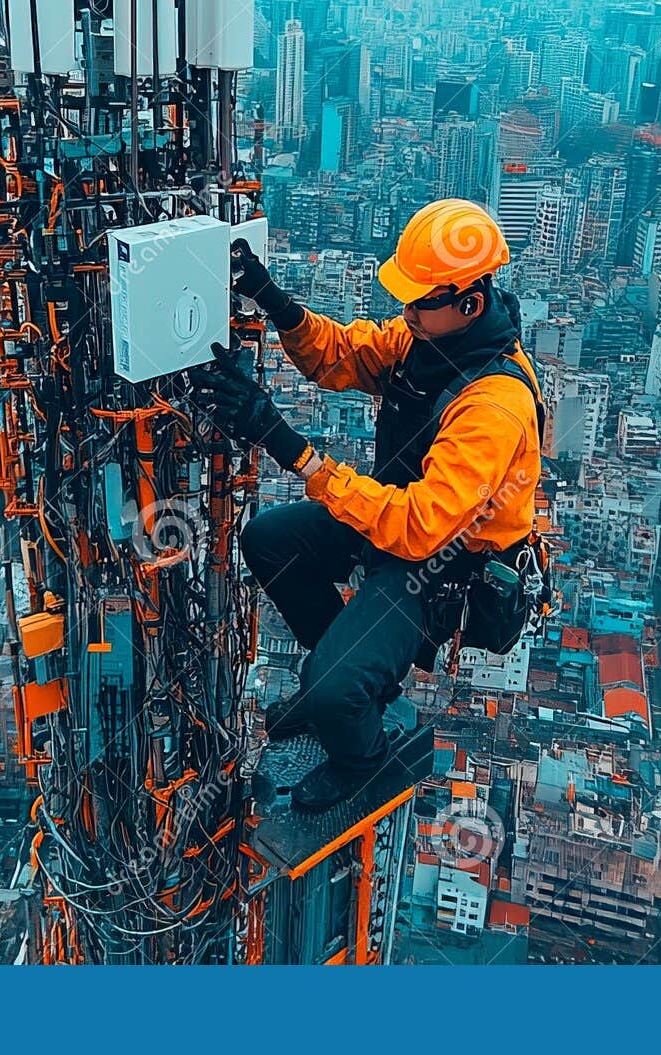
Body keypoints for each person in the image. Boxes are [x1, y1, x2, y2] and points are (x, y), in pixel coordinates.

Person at [189, 198, 542, 811]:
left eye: (419, 302)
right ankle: (349, 677)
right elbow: (342, 355)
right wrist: (271, 297)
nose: (405, 313)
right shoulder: (426, 341)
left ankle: (363, 755)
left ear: (469, 303)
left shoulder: (493, 406)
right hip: (393, 521)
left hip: (437, 568)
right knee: (270, 541)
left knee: (330, 691)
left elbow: (420, 529)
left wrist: (283, 441)